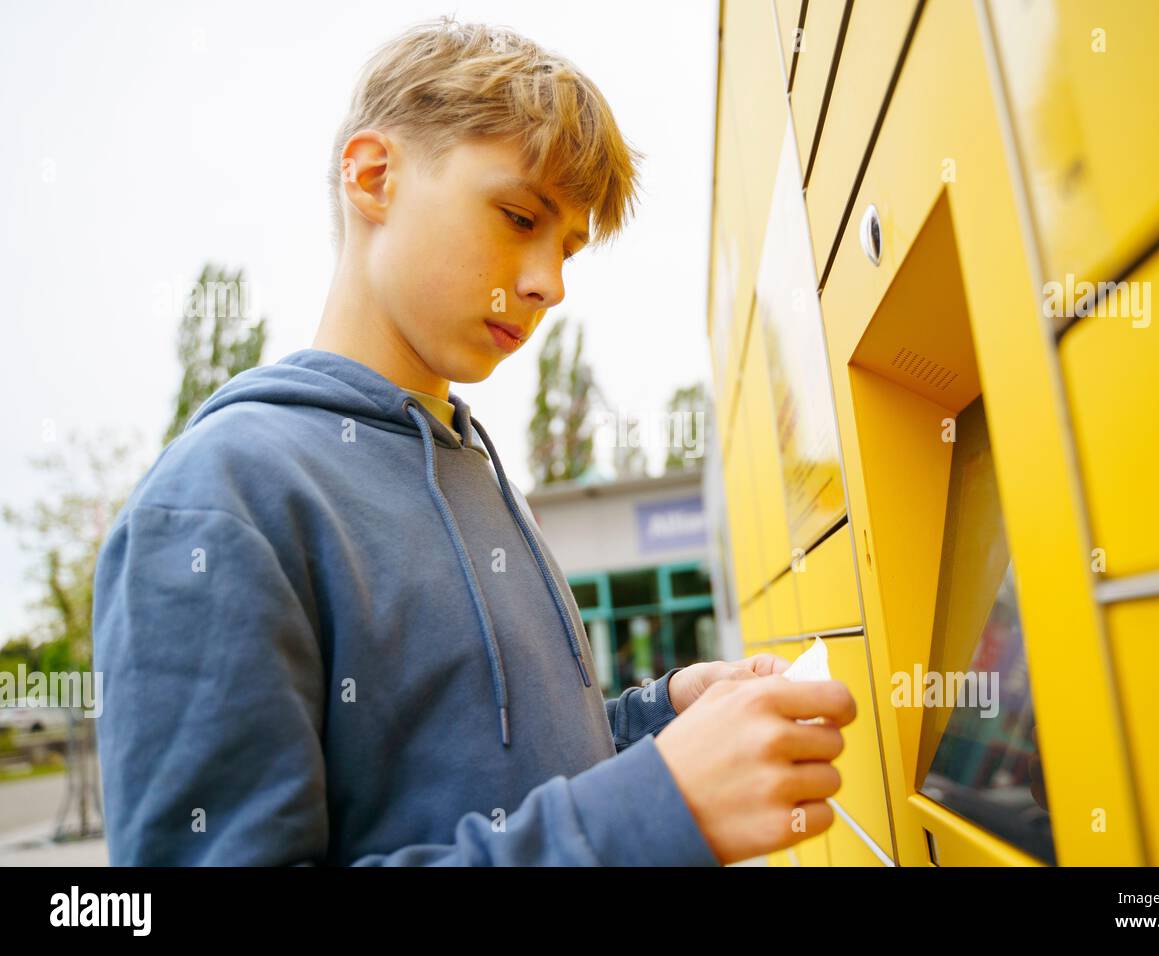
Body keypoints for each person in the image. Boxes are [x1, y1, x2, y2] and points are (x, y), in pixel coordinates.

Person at [92, 16, 854, 866]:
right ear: (374, 177)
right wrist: (647, 812)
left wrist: (661, 719)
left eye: (569, 247)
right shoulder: (219, 500)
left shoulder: (479, 475)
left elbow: (493, 781)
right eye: (519, 215)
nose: (549, 283)